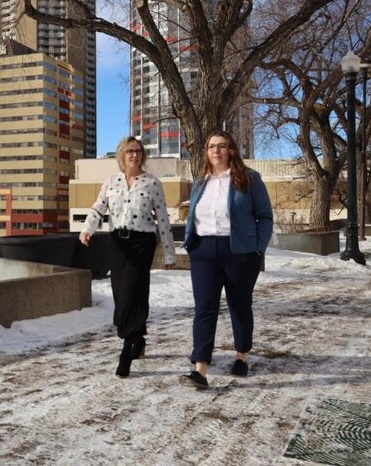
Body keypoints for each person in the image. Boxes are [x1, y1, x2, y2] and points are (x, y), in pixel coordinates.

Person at [178, 131, 273, 390]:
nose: (216, 151)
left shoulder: (249, 179)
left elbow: (265, 217)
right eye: (211, 146)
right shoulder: (201, 181)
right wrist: (191, 243)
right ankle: (200, 369)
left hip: (239, 252)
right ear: (206, 151)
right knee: (204, 308)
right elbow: (192, 215)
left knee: (239, 305)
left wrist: (257, 249)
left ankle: (242, 354)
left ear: (231, 150)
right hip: (203, 251)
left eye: (221, 146)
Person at [79, 136, 176, 378]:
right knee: (122, 294)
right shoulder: (111, 182)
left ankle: (127, 348)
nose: (134, 155)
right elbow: (98, 207)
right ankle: (138, 336)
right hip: (117, 243)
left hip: (142, 243)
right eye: (129, 151)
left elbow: (162, 217)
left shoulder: (152, 183)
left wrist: (169, 252)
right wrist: (87, 229)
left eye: (138, 151)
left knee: (133, 289)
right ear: (121, 155)